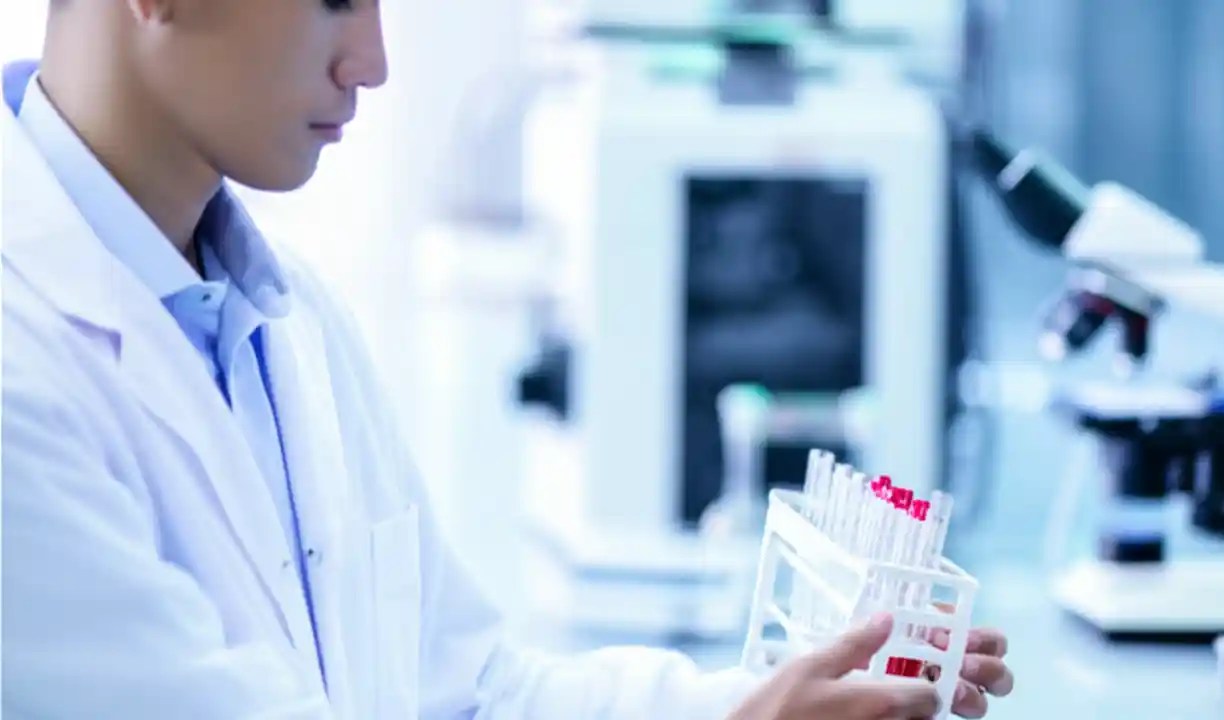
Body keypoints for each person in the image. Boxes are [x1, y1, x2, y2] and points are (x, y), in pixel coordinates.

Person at [0, 1, 1014, 718]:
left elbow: (472, 695)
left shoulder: (285, 318)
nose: (372, 61)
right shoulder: (20, 376)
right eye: (335, 1)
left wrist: (789, 699)